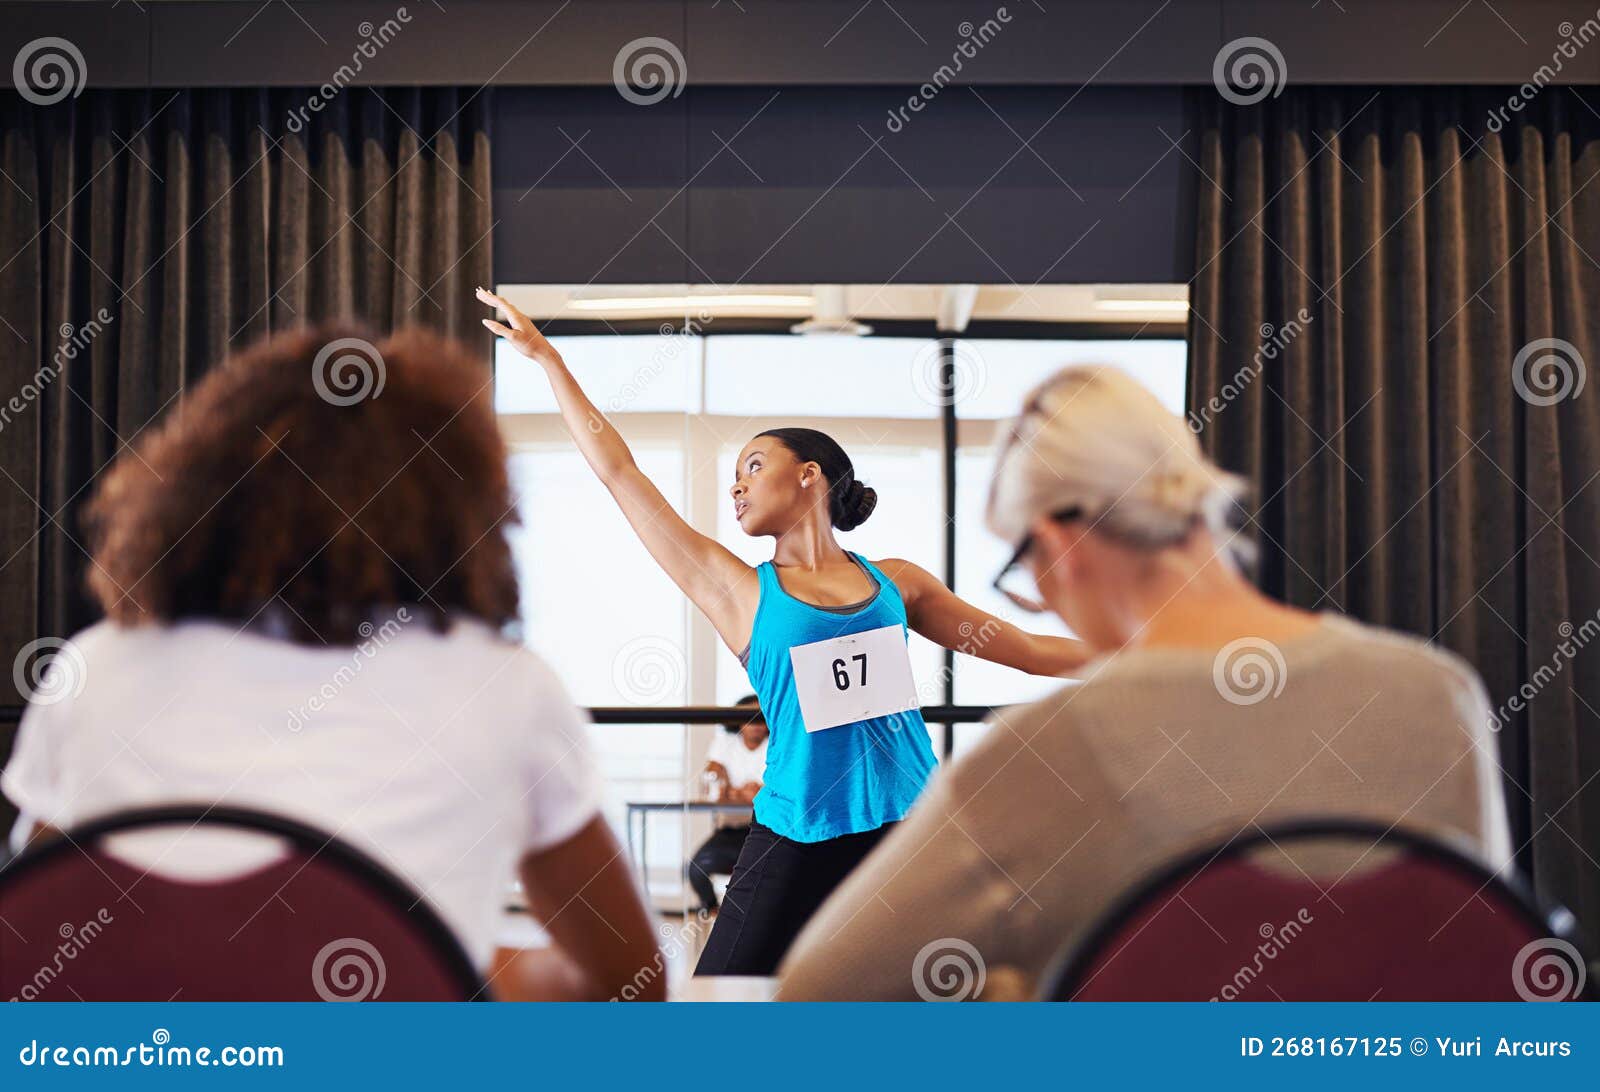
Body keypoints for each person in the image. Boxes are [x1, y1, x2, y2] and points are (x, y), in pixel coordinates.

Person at [778, 364, 1515, 1000]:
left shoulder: (1044, 752)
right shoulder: (1439, 693)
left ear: (1059, 549)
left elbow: (819, 991)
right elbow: (1475, 976)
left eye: (1022, 574)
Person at [0, 324, 664, 1001]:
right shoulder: (506, 689)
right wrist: (436, 960)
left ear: (201, 487)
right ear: (459, 506)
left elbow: (33, 937)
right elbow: (629, 986)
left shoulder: (97, 672)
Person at [479, 288, 1093, 975]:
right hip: (795, 832)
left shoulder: (899, 583)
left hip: (909, 830)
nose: (736, 487)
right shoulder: (736, 590)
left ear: (808, 478)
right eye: (732, 476)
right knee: (723, 996)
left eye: (751, 467)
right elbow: (620, 473)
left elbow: (1034, 652)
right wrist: (547, 358)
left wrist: (1155, 649)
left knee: (943, 995)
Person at [687, 694, 768, 913]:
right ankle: (714, 913)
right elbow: (712, 784)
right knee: (696, 869)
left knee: (768, 879)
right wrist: (740, 791)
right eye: (749, 717)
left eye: (761, 717)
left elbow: (763, 795)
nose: (756, 724)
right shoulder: (725, 742)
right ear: (738, 718)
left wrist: (730, 791)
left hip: (766, 832)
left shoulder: (775, 745)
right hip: (730, 832)